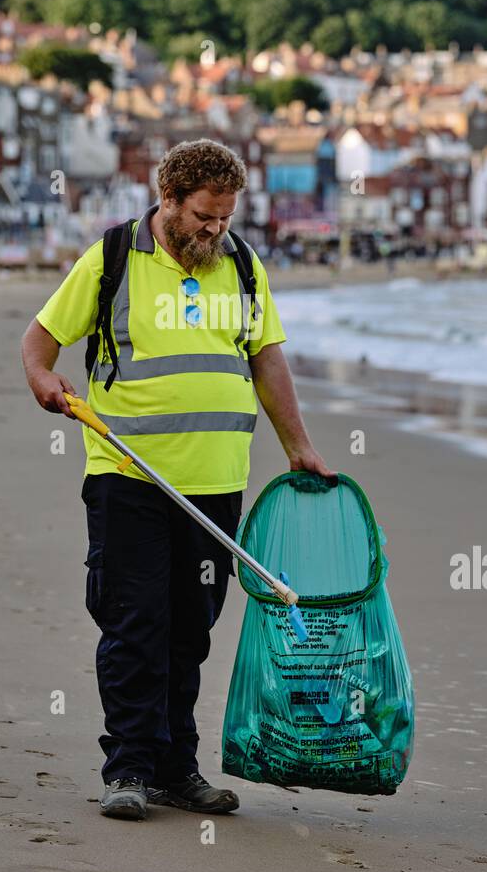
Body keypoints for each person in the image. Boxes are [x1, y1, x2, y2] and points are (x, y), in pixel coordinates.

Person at [21, 140, 332, 822]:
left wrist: (297, 446)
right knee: (135, 624)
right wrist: (44, 382)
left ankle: (175, 768)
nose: (214, 230)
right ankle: (128, 767)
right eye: (201, 216)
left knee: (190, 631)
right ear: (167, 199)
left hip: (216, 484)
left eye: (223, 217)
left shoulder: (242, 266)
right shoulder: (111, 259)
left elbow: (267, 361)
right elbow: (39, 342)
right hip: (127, 475)